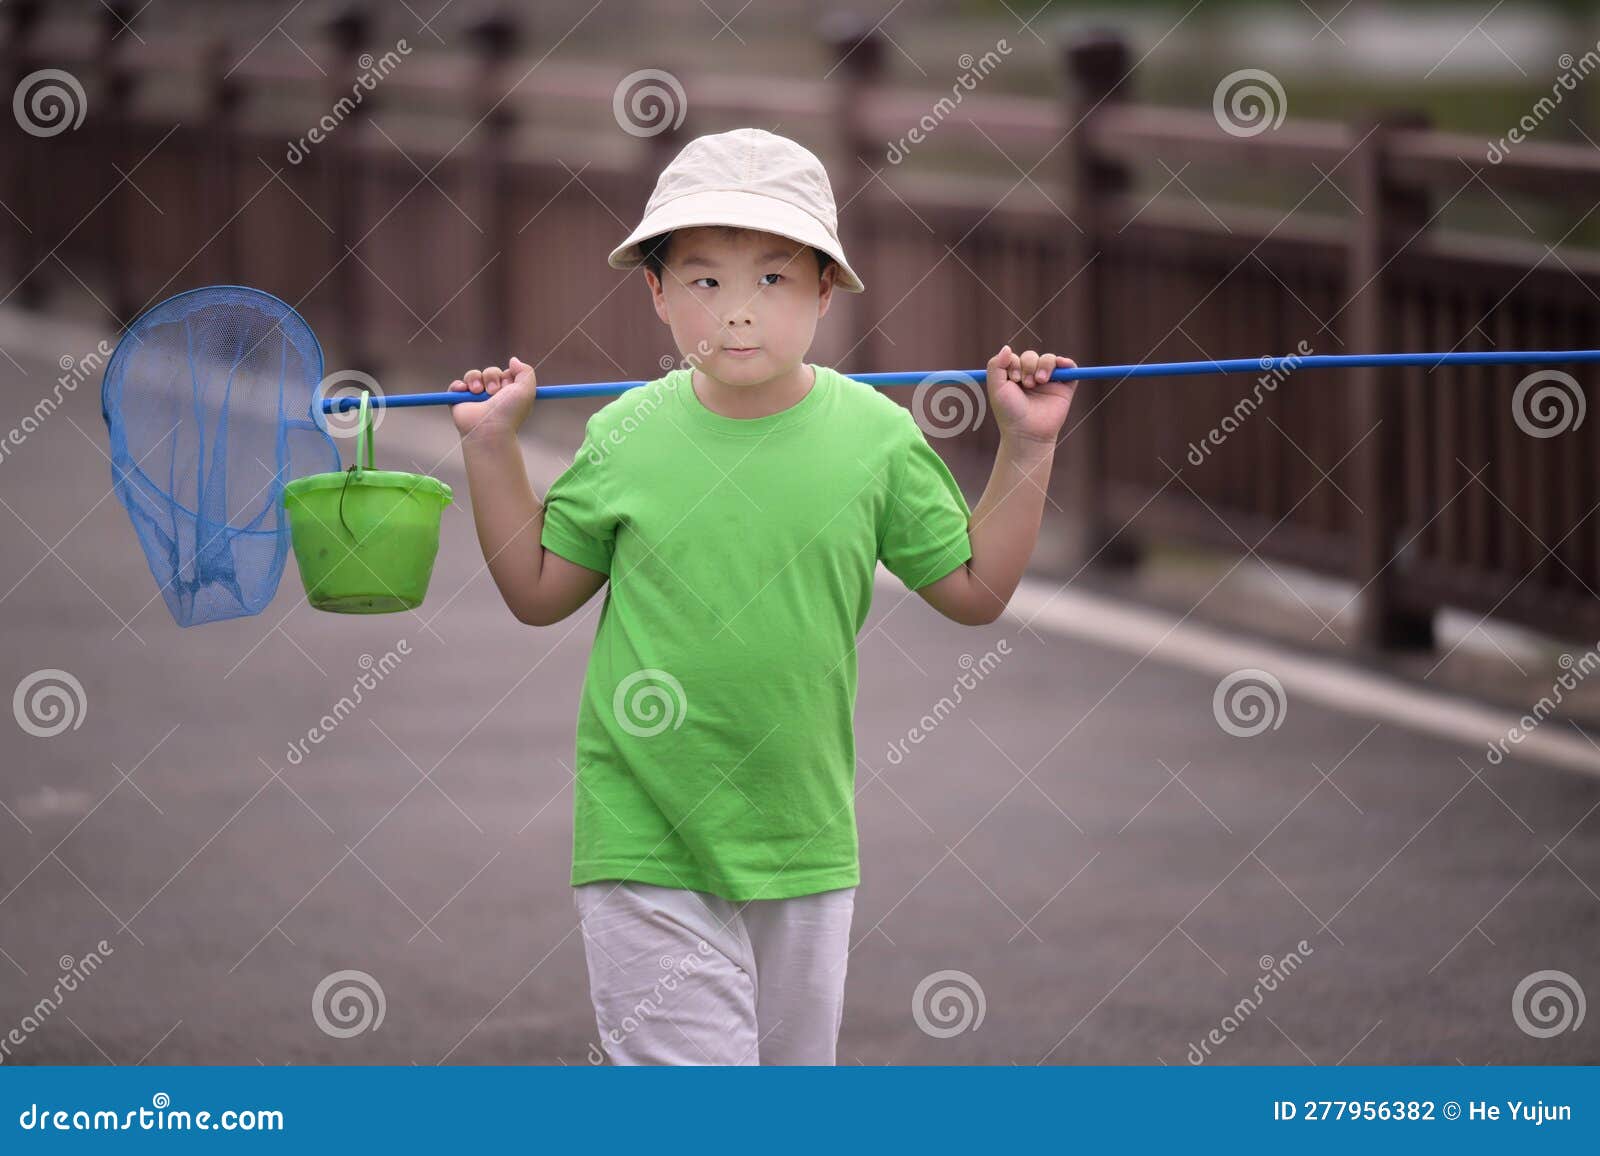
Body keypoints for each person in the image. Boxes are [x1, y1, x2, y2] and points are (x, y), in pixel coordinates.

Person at [447, 127, 1076, 1065]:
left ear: (825, 291)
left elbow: (977, 589)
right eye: (705, 281)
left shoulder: (875, 437)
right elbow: (538, 591)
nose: (738, 314)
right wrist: (490, 446)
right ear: (657, 294)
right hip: (643, 832)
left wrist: (1029, 445)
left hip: (802, 837)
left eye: (773, 280)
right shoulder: (626, 434)